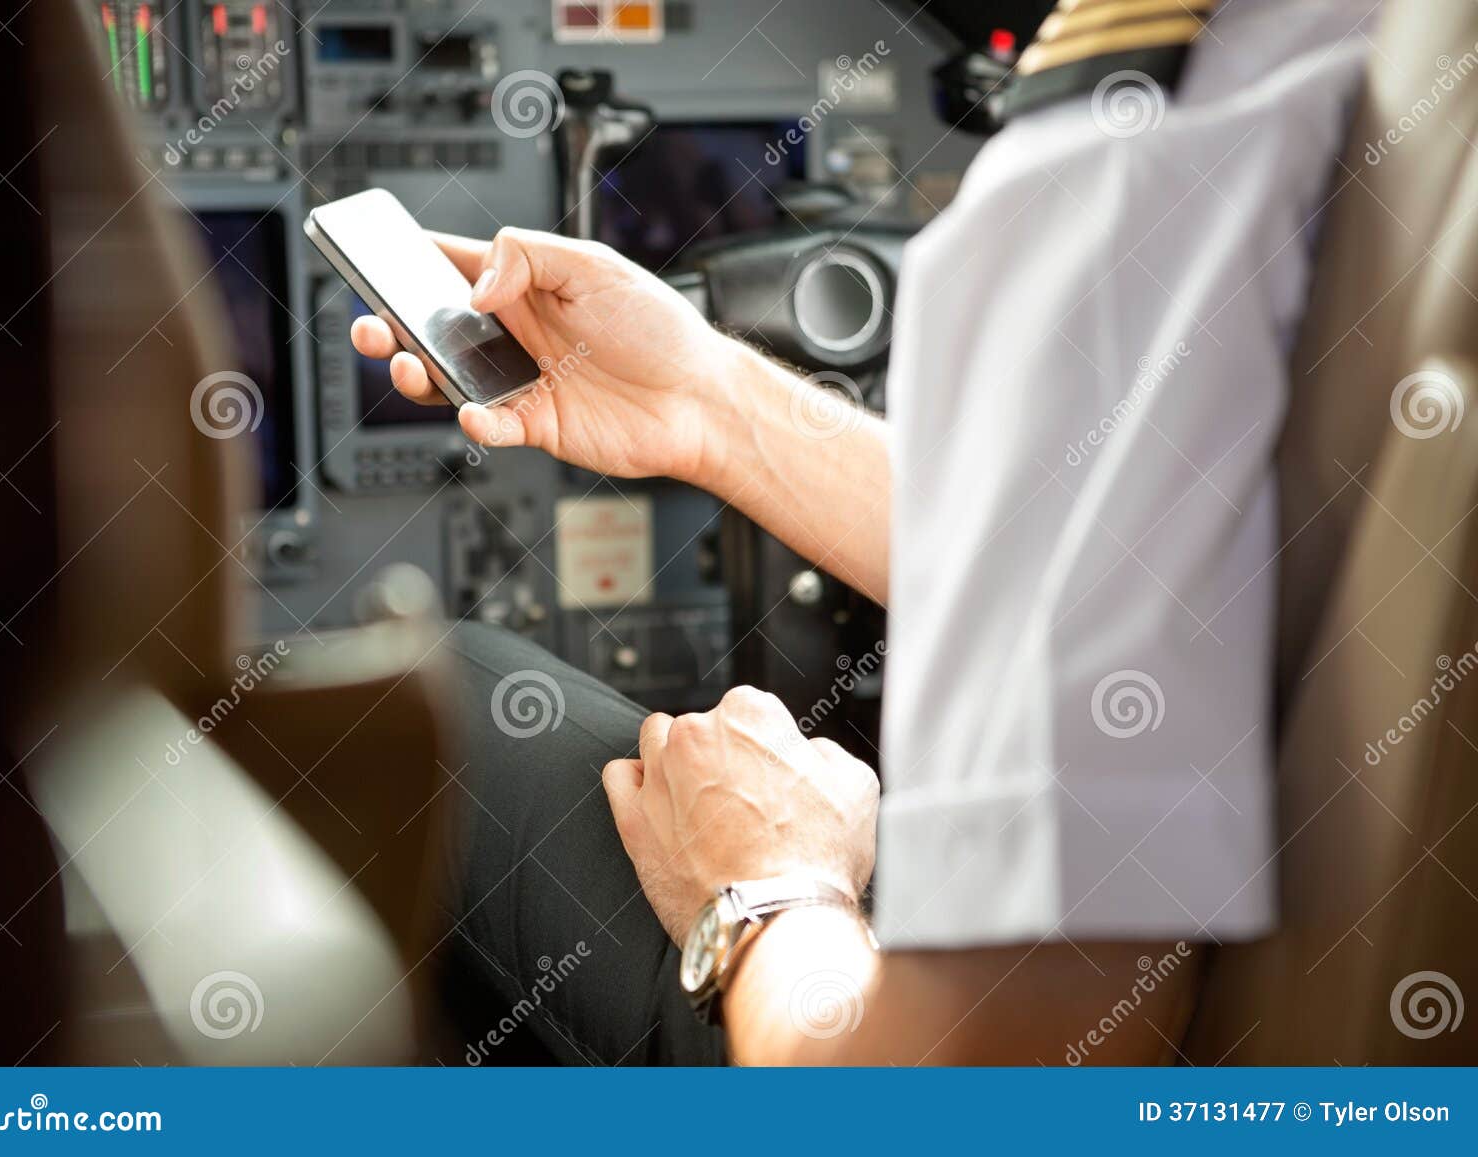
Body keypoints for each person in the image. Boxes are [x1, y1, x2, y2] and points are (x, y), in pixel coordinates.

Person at [352, 0, 1379, 1065]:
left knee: (451, 706)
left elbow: (972, 1087)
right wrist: (709, 401)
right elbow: (1123, 557)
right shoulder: (1380, 65)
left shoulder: (1156, 128)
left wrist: (761, 890)